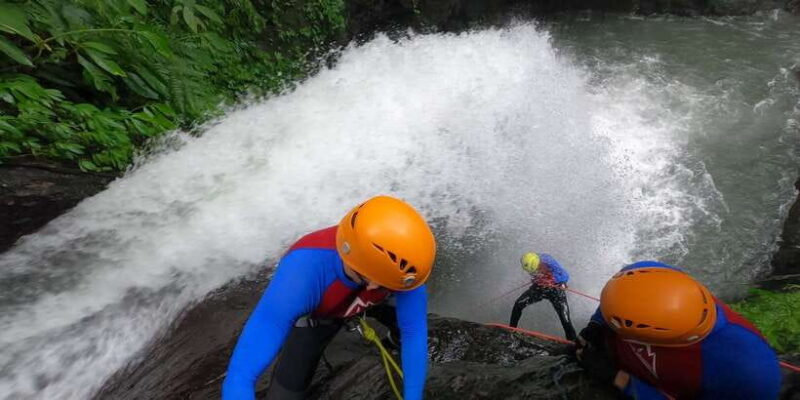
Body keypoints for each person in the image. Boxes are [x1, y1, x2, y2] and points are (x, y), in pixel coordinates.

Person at [222, 195, 436, 400]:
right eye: (376, 280)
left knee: (400, 311)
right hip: (322, 313)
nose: (375, 286)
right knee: (287, 390)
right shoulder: (301, 275)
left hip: (370, 301)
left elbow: (413, 332)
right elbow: (241, 375)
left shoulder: (404, 267)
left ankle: (391, 337)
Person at [576, 261, 782, 399]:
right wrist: (595, 325)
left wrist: (620, 380)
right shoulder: (643, 274)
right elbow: (614, 300)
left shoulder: (749, 372)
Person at [509, 252, 577, 341]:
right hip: (539, 288)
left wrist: (554, 280)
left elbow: (565, 275)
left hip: (555, 290)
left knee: (565, 319)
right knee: (519, 304)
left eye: (537, 269)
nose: (536, 271)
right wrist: (536, 279)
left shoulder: (548, 260)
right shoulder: (527, 260)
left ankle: (573, 342)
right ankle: (512, 330)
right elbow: (534, 275)